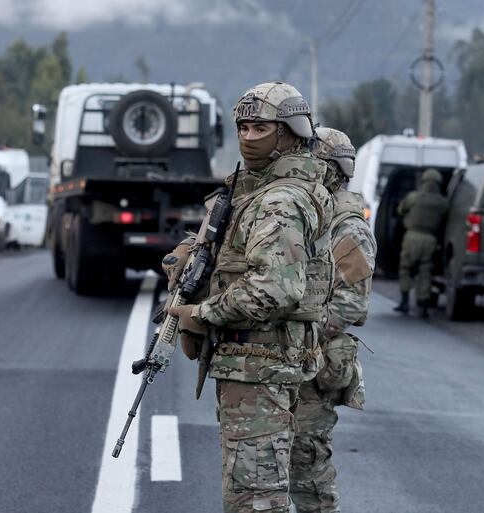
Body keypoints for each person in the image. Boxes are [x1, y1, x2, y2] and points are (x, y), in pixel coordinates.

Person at [167, 81, 334, 513]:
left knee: (255, 501)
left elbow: (275, 287)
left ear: (289, 131)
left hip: (260, 366)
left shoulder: (281, 199)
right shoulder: (258, 190)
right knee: (254, 494)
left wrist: (201, 313)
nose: (247, 136)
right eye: (242, 126)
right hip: (256, 367)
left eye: (260, 127)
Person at [289, 128, 376, 513]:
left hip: (319, 360)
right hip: (293, 357)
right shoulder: (312, 212)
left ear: (332, 169)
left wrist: (298, 328)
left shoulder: (347, 224)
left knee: (306, 463)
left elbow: (351, 304)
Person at [394, 168, 447, 317]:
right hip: (430, 240)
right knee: (425, 272)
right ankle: (423, 306)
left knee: (405, 269)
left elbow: (400, 210)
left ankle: (404, 302)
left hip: (412, 237)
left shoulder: (413, 197)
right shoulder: (442, 202)